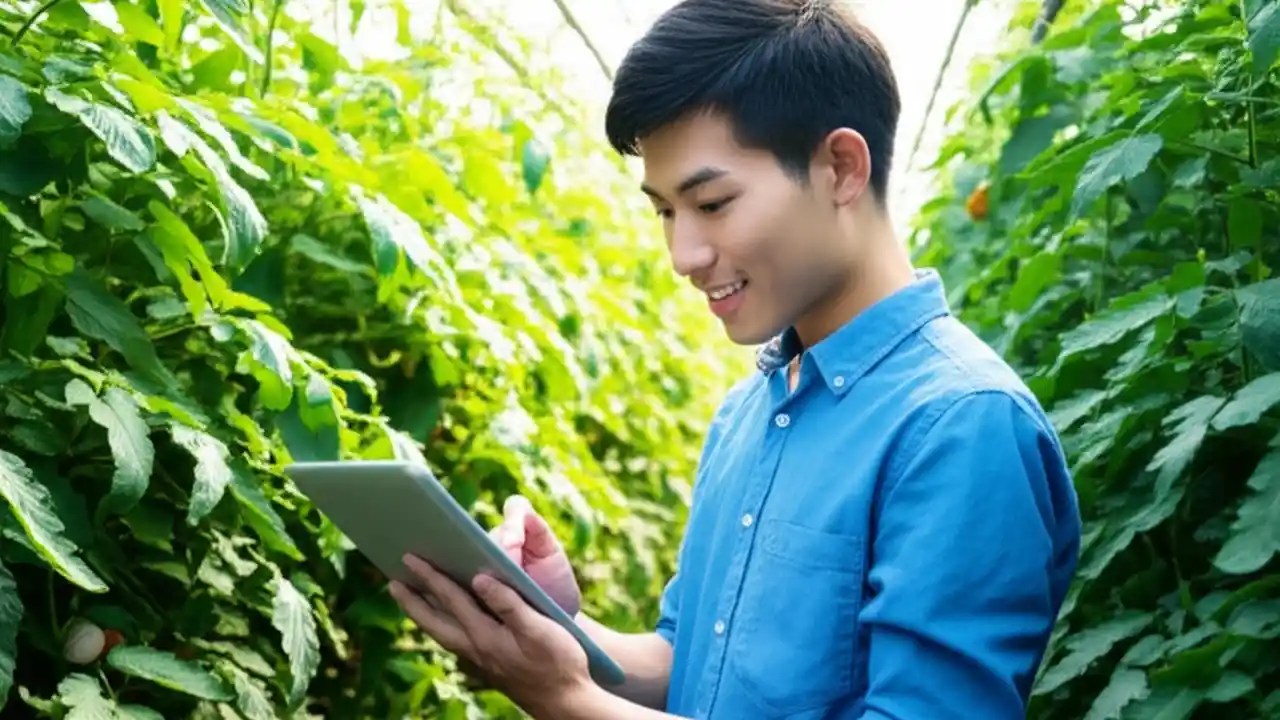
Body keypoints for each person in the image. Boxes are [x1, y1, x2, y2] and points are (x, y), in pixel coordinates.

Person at [388, 0, 1083, 717]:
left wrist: (564, 699)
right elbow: (686, 661)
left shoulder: (962, 427)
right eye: (665, 211)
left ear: (841, 168)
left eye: (713, 203)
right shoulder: (749, 412)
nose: (683, 255)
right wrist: (549, 623)